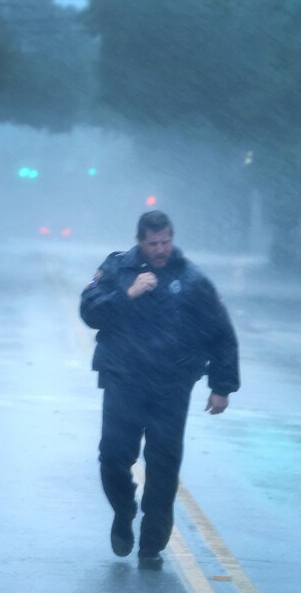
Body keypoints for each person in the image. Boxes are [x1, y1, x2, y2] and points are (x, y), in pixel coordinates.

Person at [80, 210, 240, 569]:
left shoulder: (192, 279)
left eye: (166, 242)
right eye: (153, 244)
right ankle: (124, 510)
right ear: (140, 242)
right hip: (124, 381)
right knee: (113, 457)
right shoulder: (118, 269)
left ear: (172, 238)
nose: (161, 249)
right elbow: (89, 312)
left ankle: (152, 544)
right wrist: (128, 294)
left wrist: (222, 386)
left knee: (163, 465)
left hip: (172, 385)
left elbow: (221, 333)